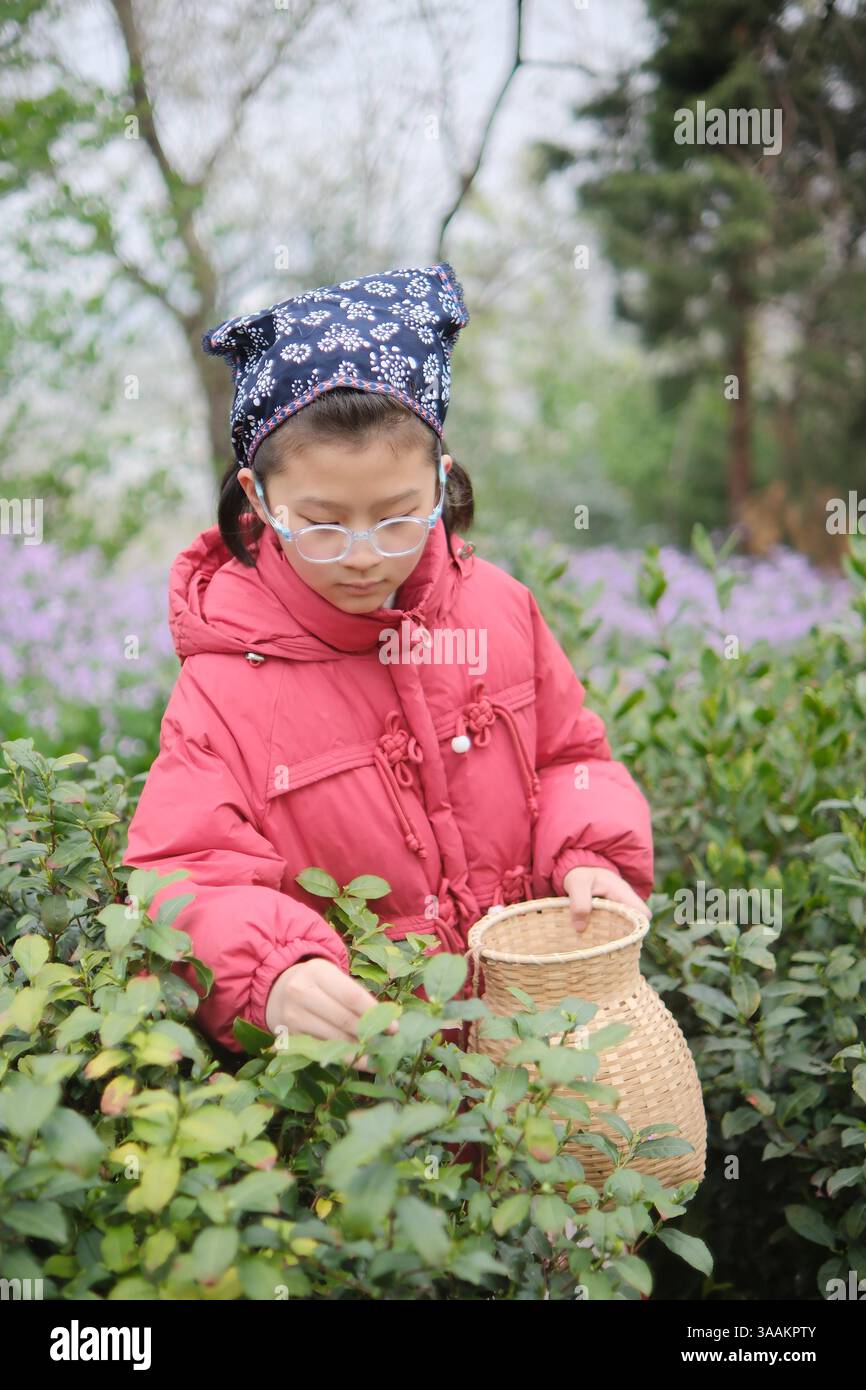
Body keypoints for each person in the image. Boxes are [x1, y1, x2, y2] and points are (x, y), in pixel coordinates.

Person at [123, 260, 654, 1065]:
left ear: (441, 481)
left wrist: (591, 854)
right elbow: (187, 867)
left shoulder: (501, 611)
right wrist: (272, 970)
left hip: (541, 1073)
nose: (365, 558)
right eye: (325, 525)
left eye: (399, 519)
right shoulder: (225, 684)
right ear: (258, 499)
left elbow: (570, 754)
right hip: (379, 1093)